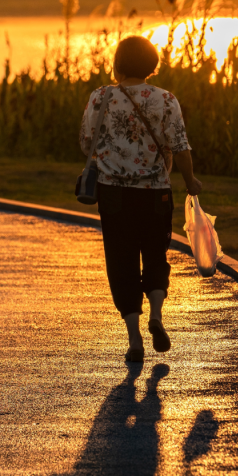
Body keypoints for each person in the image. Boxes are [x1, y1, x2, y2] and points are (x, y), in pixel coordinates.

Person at [80, 36, 204, 363]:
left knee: (121, 261)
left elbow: (86, 142)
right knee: (155, 254)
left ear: (118, 63)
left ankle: (134, 338)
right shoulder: (165, 99)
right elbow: (180, 146)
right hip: (155, 194)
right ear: (152, 65)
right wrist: (190, 182)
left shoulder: (100, 97)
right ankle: (157, 316)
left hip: (113, 193)